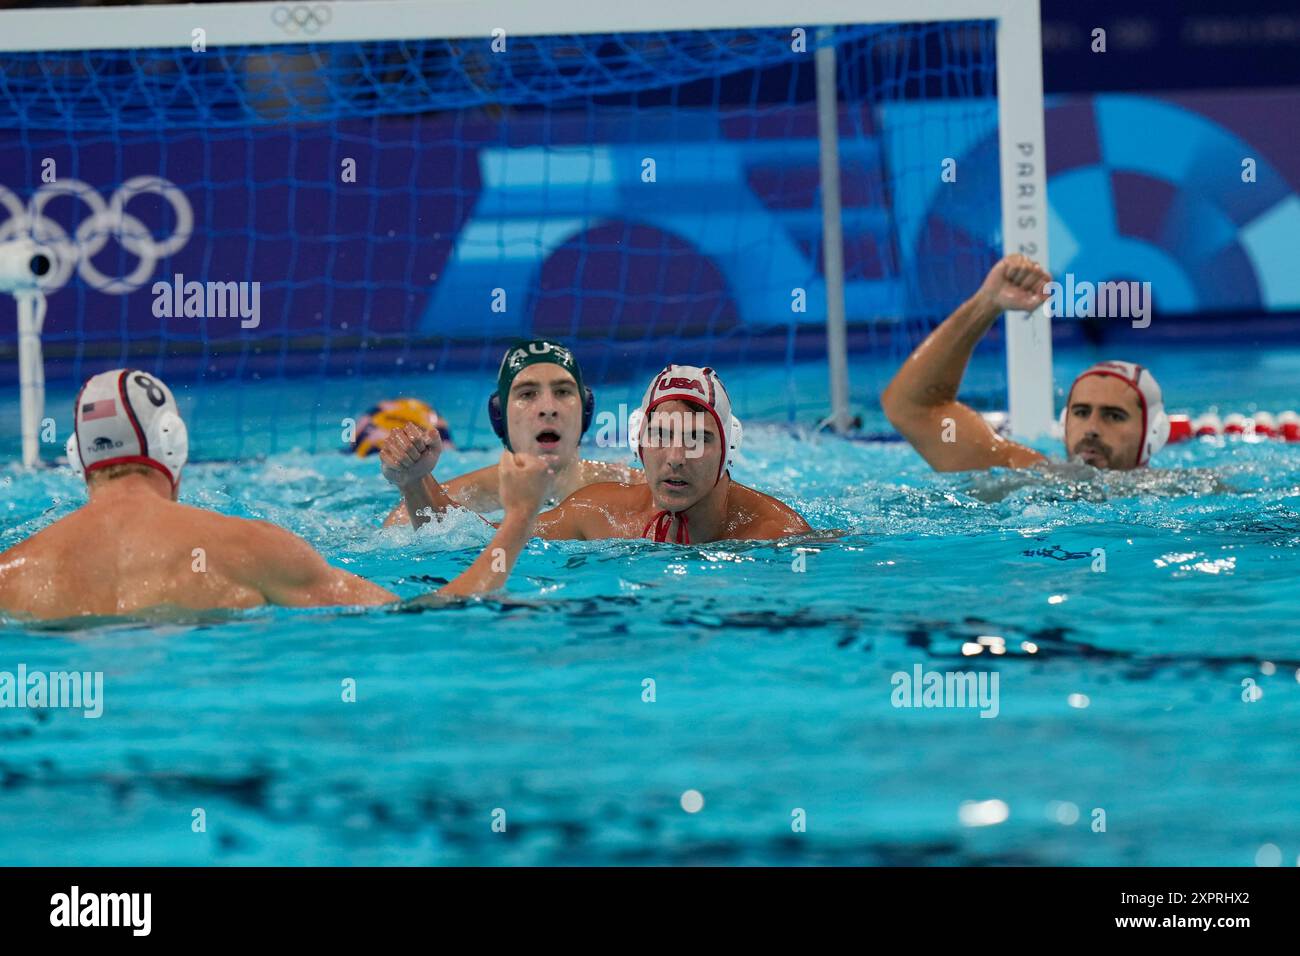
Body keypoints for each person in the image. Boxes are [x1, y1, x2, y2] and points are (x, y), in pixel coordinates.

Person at [0, 370, 550, 621]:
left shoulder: (12, 572)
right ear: (174, 443)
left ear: (77, 458)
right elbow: (432, 615)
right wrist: (519, 515)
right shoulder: (250, 547)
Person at [382, 364, 811, 543]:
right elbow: (473, 539)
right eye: (661, 436)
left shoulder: (777, 537)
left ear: (728, 451)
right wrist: (416, 480)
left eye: (698, 439)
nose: (676, 457)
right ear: (639, 445)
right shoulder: (600, 512)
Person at [881, 254, 1170, 472]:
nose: (1091, 428)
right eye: (1081, 412)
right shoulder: (1031, 476)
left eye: (1114, 416)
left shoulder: (1179, 493)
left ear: (1153, 433)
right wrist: (986, 304)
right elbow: (911, 408)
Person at [383, 339, 640, 526]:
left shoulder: (638, 489)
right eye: (527, 394)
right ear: (499, 416)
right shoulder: (460, 497)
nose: (548, 408)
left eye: (563, 392)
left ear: (586, 410)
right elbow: (405, 533)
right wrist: (414, 483)